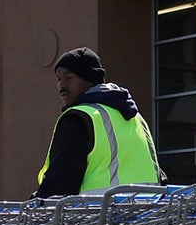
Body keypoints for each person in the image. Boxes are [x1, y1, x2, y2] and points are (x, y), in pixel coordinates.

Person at [34, 47, 166, 198]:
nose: (61, 85)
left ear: (89, 78)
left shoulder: (79, 118)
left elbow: (61, 180)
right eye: (58, 79)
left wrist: (37, 206)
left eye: (68, 78)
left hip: (96, 215)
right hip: (144, 214)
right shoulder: (136, 118)